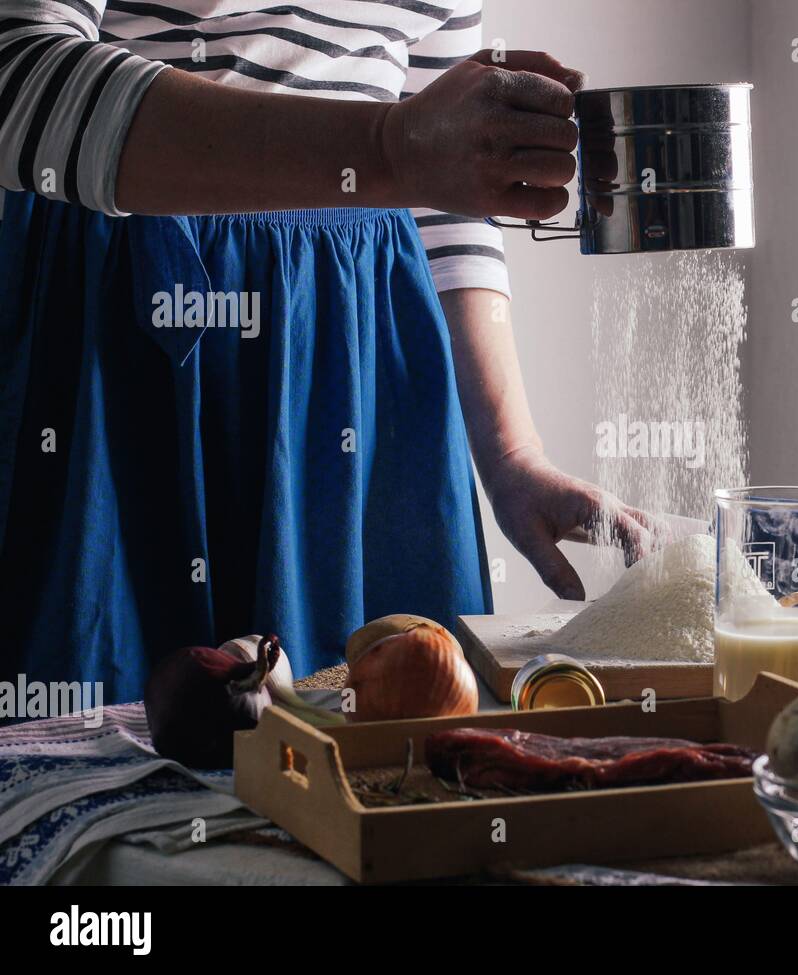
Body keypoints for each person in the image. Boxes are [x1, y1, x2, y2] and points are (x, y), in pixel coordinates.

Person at [0, 0, 656, 703]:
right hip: (120, 339)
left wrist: (511, 454)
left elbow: (444, 203)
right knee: (93, 749)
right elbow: (16, 79)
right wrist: (386, 148)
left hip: (356, 356)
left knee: (381, 746)